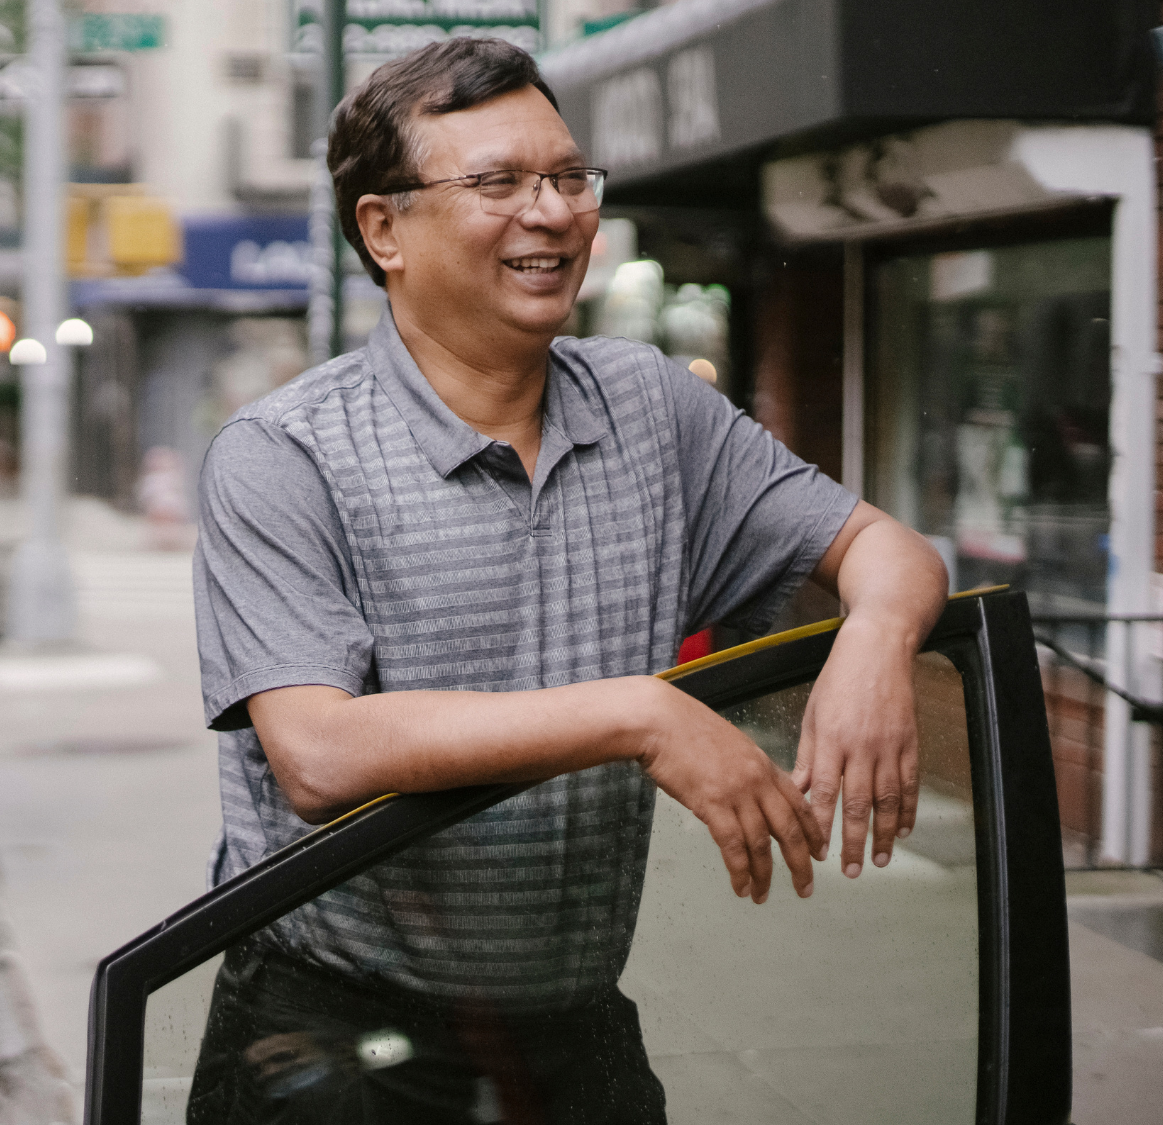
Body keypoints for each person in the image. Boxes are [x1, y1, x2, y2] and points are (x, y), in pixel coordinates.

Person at [188, 38, 947, 1125]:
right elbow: (316, 751)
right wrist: (639, 715)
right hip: (335, 1035)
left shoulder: (647, 404)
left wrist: (874, 639)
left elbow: (887, 548)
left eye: (566, 176)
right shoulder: (283, 453)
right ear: (381, 228)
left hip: (570, 1023)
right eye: (495, 182)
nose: (549, 213)